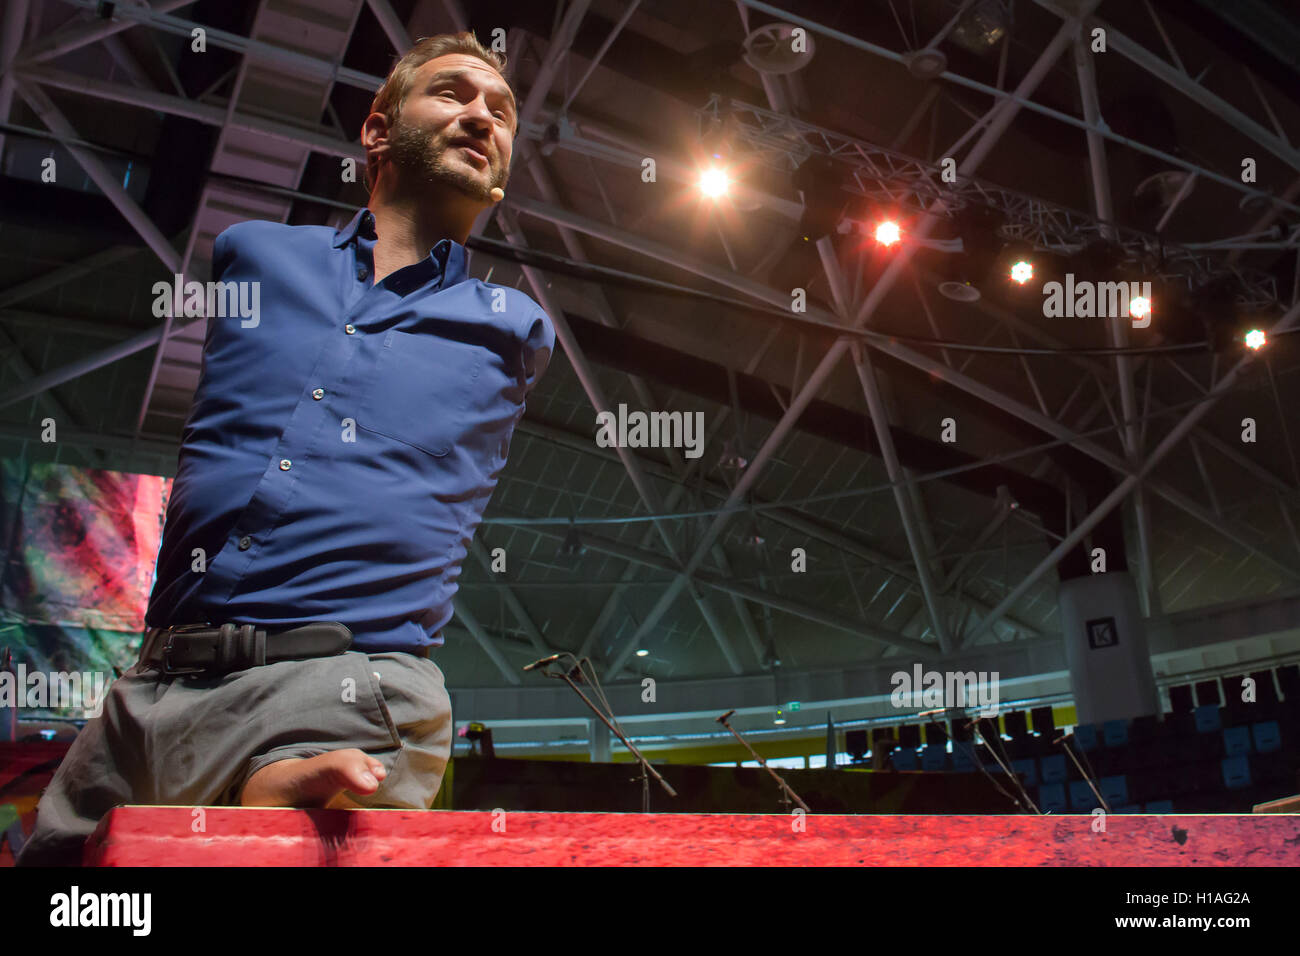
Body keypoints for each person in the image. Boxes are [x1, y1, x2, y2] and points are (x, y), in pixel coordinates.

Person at [17, 31, 553, 865]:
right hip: (149, 684)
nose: (483, 115)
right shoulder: (257, 258)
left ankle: (270, 799)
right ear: (377, 133)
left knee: (267, 853)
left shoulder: (512, 328)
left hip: (336, 686)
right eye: (452, 93)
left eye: (502, 111)